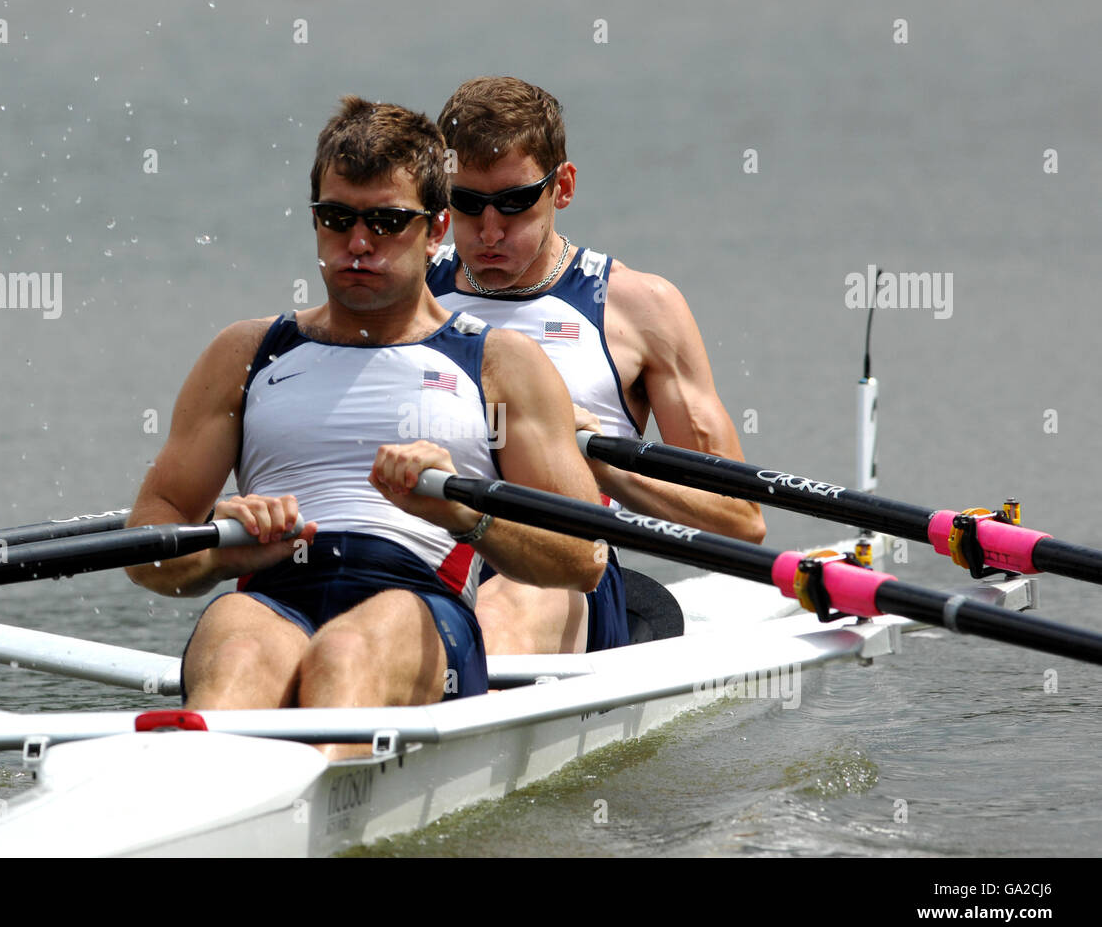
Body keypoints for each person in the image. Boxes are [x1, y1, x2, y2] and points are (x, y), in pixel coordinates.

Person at [124, 96, 604, 724]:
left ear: (435, 230)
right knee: (238, 652)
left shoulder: (497, 363)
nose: (356, 243)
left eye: (385, 222)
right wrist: (217, 550)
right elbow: (144, 544)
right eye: (336, 217)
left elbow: (584, 556)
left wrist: (467, 515)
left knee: (346, 653)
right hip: (269, 594)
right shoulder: (246, 352)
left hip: (418, 599)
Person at [428, 76, 765, 657]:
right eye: (466, 203)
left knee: (507, 603)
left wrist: (602, 470)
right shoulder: (405, 293)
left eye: (513, 202)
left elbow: (739, 520)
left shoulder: (638, 309)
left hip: (562, 571)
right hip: (423, 554)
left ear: (563, 186)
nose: (489, 230)